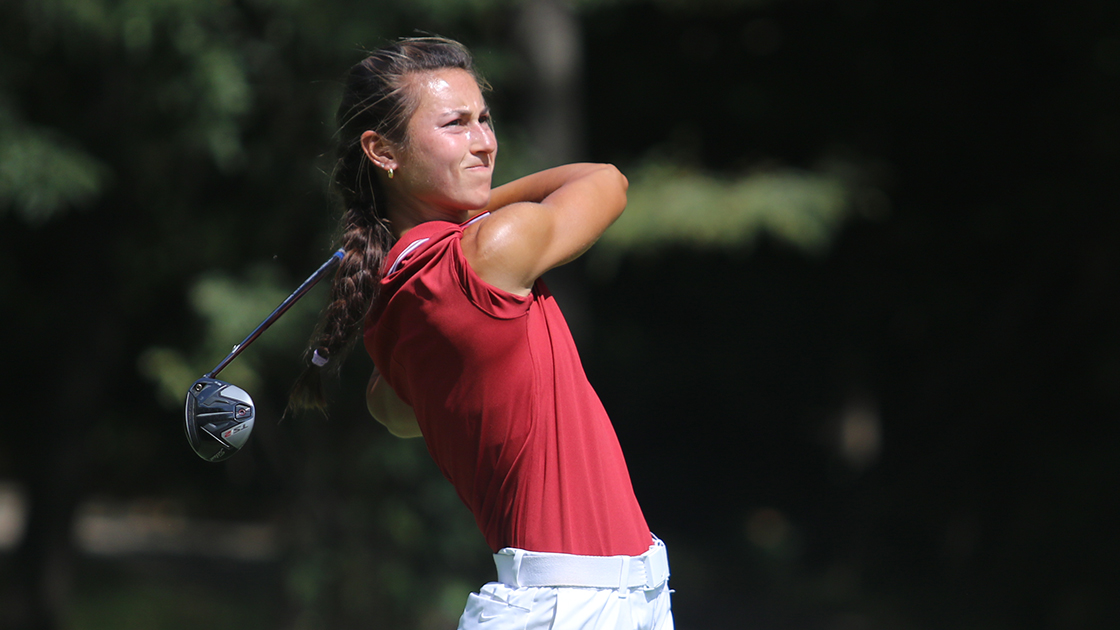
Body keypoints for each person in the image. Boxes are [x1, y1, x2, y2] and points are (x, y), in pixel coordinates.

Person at [289, 36, 673, 630]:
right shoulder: (490, 250)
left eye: (484, 120)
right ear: (382, 150)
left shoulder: (394, 310)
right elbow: (607, 181)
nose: (484, 142)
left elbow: (392, 411)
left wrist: (449, 204)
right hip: (567, 606)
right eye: (455, 125)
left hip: (606, 598)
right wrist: (477, 205)